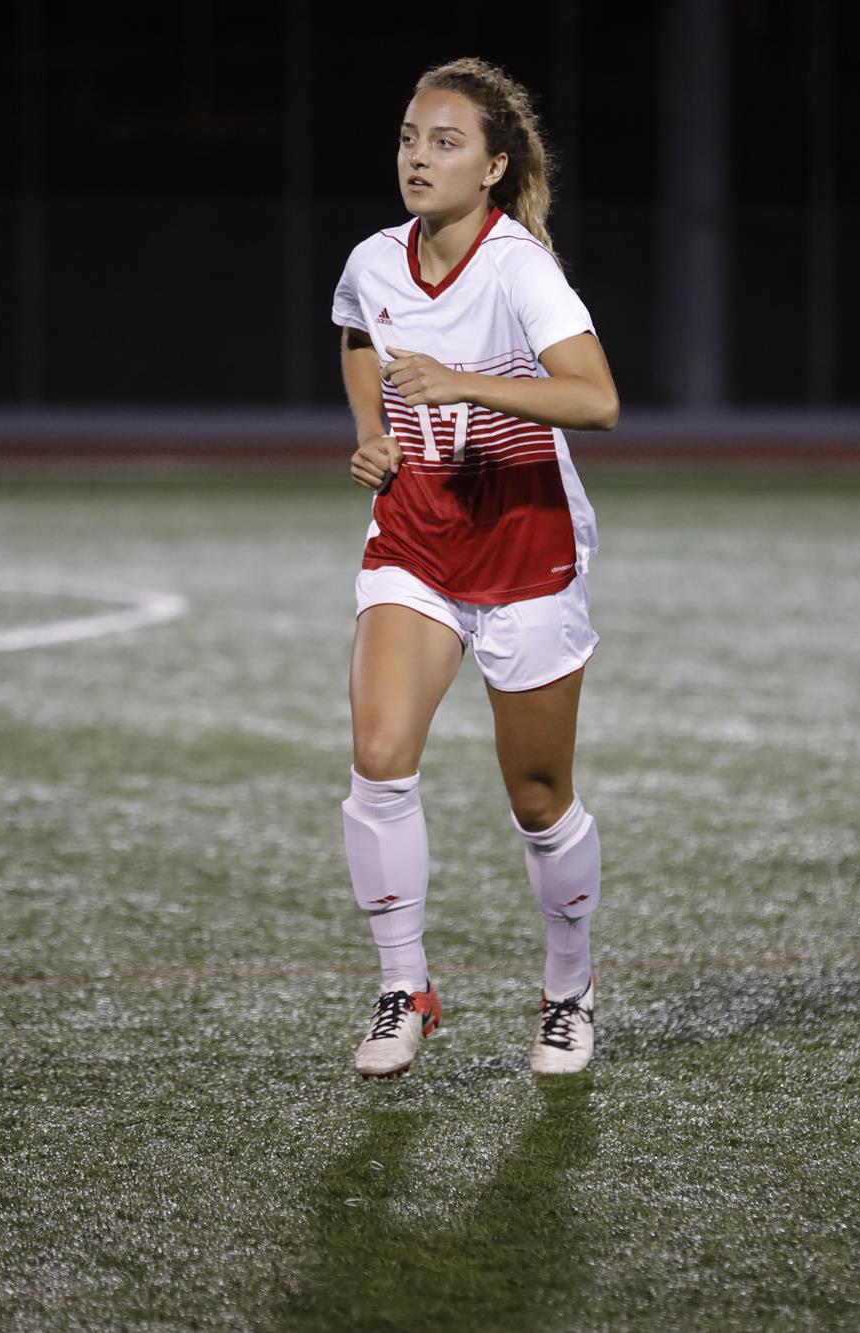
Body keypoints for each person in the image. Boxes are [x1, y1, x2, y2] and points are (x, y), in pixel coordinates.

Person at [329, 57, 620, 1079]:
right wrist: (372, 432)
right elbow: (359, 333)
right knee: (378, 755)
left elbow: (596, 399)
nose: (418, 156)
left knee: (538, 796)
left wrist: (463, 382)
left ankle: (568, 990)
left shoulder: (518, 270)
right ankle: (403, 986)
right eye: (409, 136)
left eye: (444, 142)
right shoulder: (374, 259)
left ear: (493, 167)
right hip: (415, 537)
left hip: (524, 545)